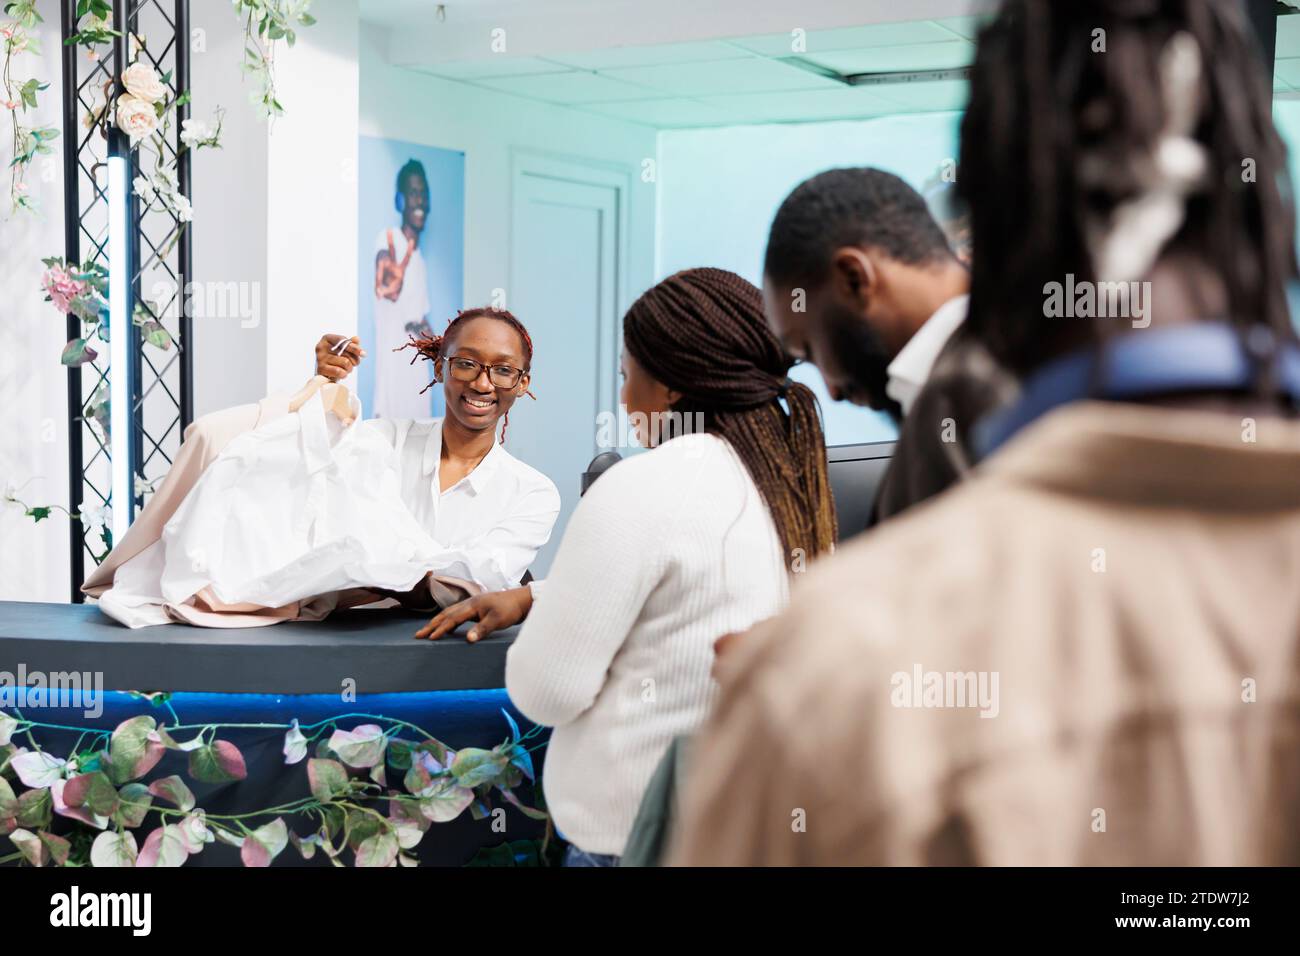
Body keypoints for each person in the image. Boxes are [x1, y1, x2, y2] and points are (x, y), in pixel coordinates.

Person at [669, 0, 1300, 866]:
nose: (828, 383)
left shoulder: (831, 674)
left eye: (810, 347)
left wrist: (818, 675)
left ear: (987, 218)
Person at [420, 268, 837, 865]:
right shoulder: (790, 482)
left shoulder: (639, 486)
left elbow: (547, 692)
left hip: (631, 843)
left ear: (666, 385)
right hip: (742, 832)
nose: (621, 396)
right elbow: (692, 594)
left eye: (626, 374)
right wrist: (538, 596)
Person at [84, 308, 559, 626]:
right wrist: (318, 388)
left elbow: (482, 580)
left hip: (435, 654)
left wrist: (388, 565)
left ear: (522, 383)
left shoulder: (531, 492)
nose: (482, 383)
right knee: (224, 436)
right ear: (439, 368)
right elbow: (299, 457)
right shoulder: (384, 441)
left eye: (502, 370)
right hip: (335, 632)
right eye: (466, 365)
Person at [762, 167, 1016, 524]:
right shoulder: (1002, 365)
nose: (831, 390)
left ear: (854, 278)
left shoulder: (979, 392)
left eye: (810, 350)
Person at [372, 158, 437, 419]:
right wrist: (397, 272)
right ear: (400, 201)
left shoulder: (419, 258)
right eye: (413, 193)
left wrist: (446, 351)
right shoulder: (388, 240)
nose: (419, 200)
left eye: (423, 194)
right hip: (394, 381)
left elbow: (418, 319)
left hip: (417, 380)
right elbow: (386, 287)